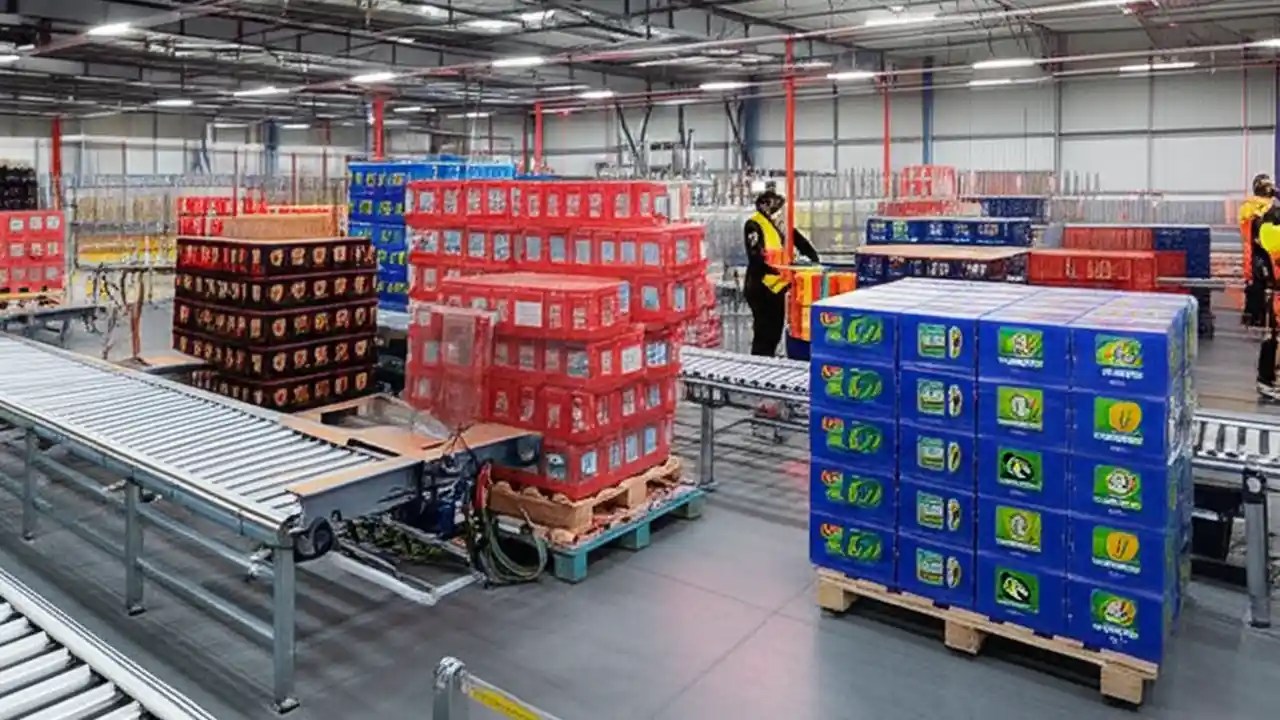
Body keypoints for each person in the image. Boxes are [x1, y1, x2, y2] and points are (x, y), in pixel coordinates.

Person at [743, 184, 820, 357]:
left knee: (775, 330)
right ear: (763, 205)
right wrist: (778, 270)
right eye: (774, 205)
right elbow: (755, 257)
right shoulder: (754, 224)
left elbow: (799, 241)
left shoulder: (778, 225)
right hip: (761, 287)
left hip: (777, 287)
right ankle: (760, 363)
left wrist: (814, 259)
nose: (778, 210)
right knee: (764, 332)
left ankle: (766, 358)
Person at [1241, 174, 1275, 328]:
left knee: (1257, 283)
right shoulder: (1258, 207)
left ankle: (1255, 316)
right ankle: (1258, 316)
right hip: (1261, 251)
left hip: (1258, 251)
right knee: (1260, 283)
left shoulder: (1249, 206)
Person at [1255, 205, 1280, 400]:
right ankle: (1267, 381)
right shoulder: (1274, 238)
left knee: (1271, 339)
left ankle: (1267, 380)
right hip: (1276, 296)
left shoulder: (1266, 236)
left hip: (1273, 295)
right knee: (1272, 340)